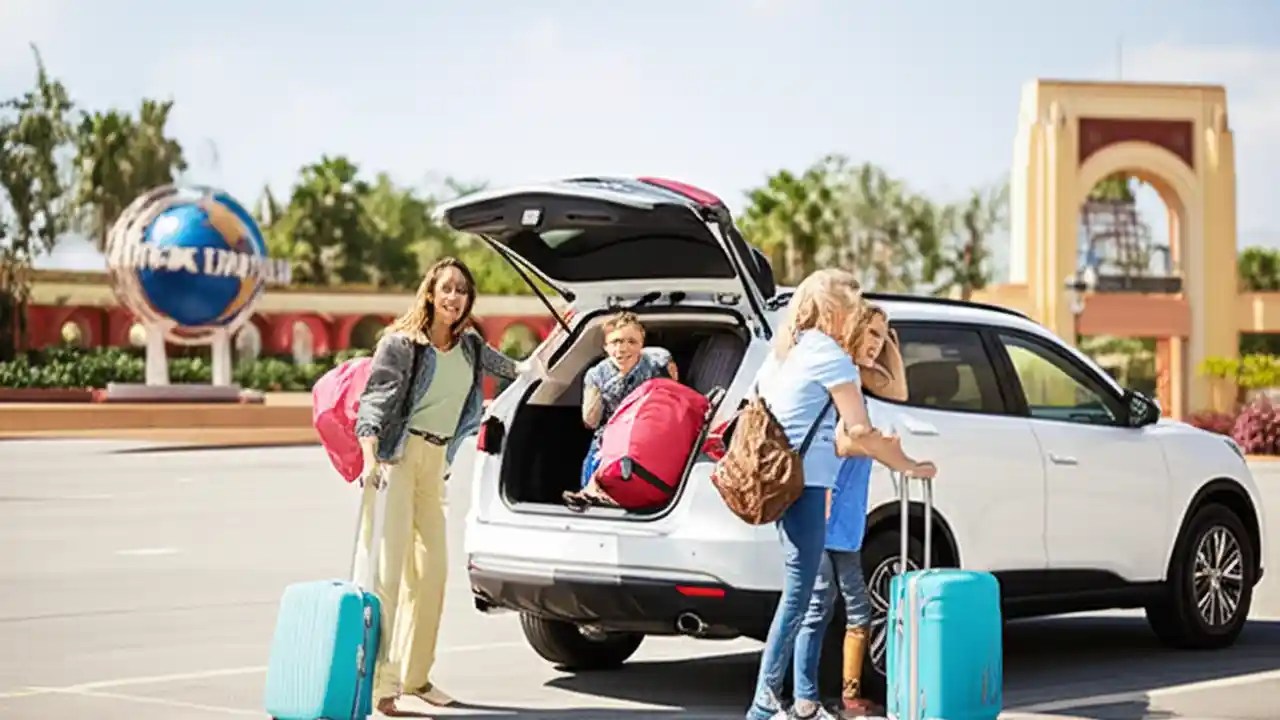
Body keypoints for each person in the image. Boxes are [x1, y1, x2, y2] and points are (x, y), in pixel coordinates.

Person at [743, 271, 935, 720]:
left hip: (778, 481)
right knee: (801, 593)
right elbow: (859, 431)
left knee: (806, 592)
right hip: (806, 486)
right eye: (854, 309)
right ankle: (764, 702)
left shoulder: (786, 349)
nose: (857, 318)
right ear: (836, 312)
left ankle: (800, 704)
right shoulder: (831, 355)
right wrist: (907, 464)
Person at [353, 256, 538, 717]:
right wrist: (370, 458)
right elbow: (375, 402)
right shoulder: (402, 344)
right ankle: (382, 685)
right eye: (447, 289)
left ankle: (417, 677)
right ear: (431, 293)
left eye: (462, 290)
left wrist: (571, 331)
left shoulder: (471, 346)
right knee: (389, 576)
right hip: (397, 461)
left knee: (433, 574)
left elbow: (519, 369)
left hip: (436, 464)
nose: (455, 297)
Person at [793, 303, 929, 718]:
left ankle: (849, 696)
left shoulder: (858, 376)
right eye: (870, 333)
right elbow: (841, 443)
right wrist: (890, 452)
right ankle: (804, 697)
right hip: (821, 515)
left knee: (858, 608)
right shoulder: (838, 379)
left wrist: (888, 344)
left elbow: (899, 390)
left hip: (847, 525)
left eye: (881, 335)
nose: (875, 343)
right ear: (850, 331)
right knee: (818, 606)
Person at [562, 311, 677, 508]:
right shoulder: (597, 374)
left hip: (652, 431)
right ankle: (592, 491)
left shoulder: (659, 361)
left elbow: (675, 399)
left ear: (642, 344)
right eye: (615, 342)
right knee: (600, 454)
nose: (622, 348)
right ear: (606, 347)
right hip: (610, 433)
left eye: (631, 342)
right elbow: (591, 421)